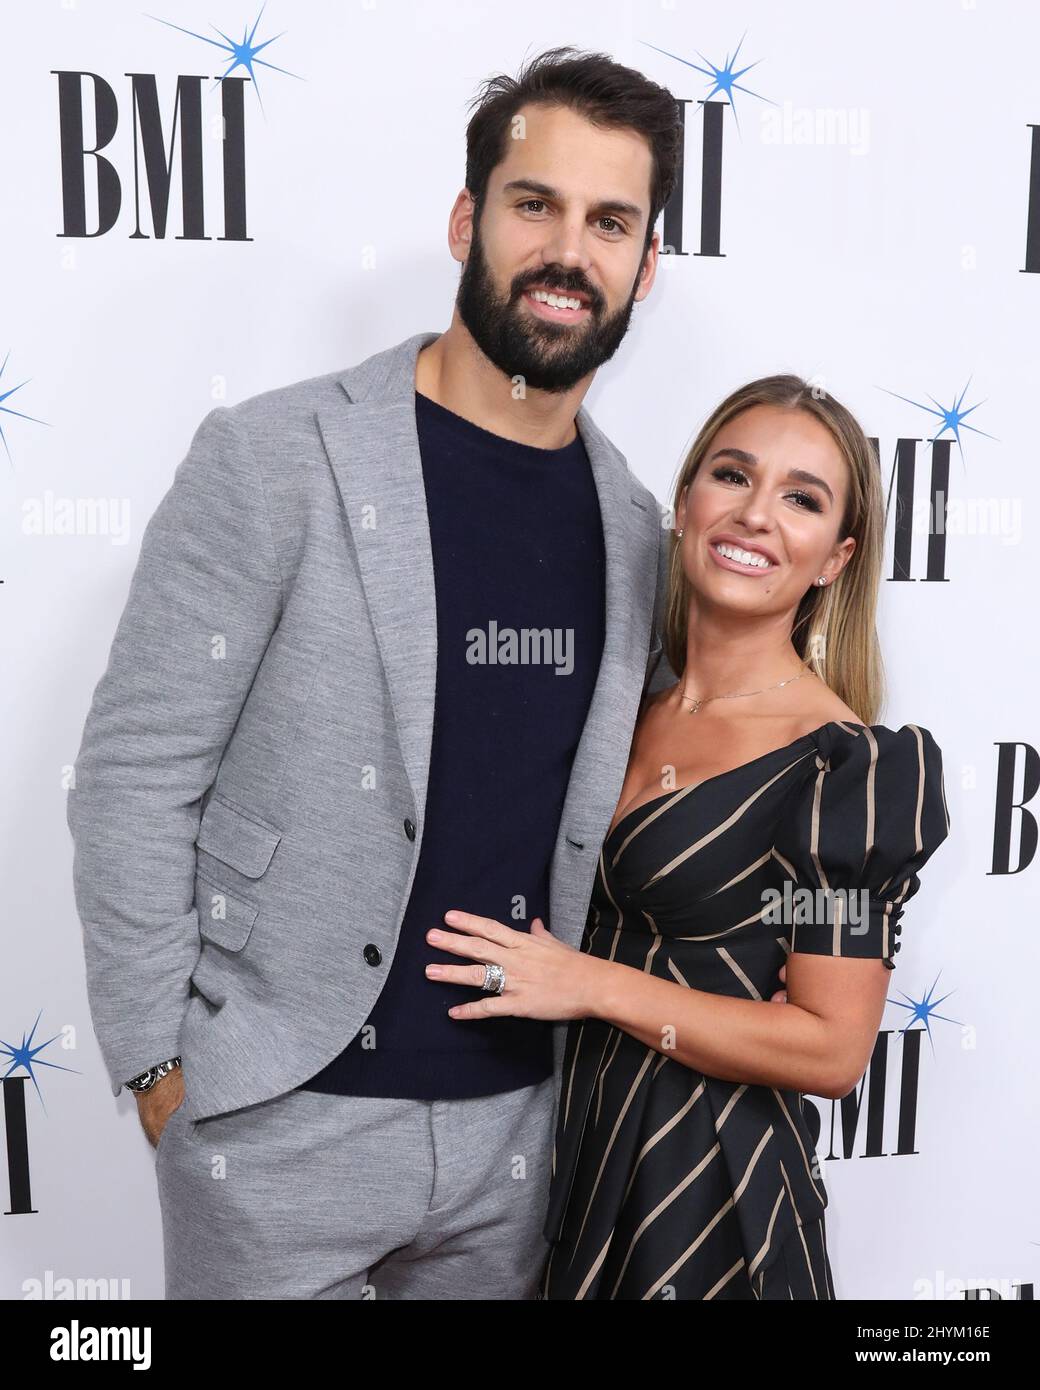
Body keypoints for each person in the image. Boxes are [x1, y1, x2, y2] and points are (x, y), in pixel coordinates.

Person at [66, 48, 787, 1299]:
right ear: (468, 219)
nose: (569, 250)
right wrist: (156, 1071)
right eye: (534, 204)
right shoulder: (277, 457)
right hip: (273, 1123)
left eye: (609, 221)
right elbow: (133, 776)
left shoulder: (633, 528)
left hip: (518, 1138)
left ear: (644, 267)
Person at [430, 375, 951, 1300]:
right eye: (733, 475)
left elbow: (830, 1048)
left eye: (802, 498)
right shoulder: (611, 711)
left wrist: (589, 983)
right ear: (682, 506)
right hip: (576, 1173)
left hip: (715, 1195)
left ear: (836, 557)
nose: (757, 515)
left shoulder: (845, 768)